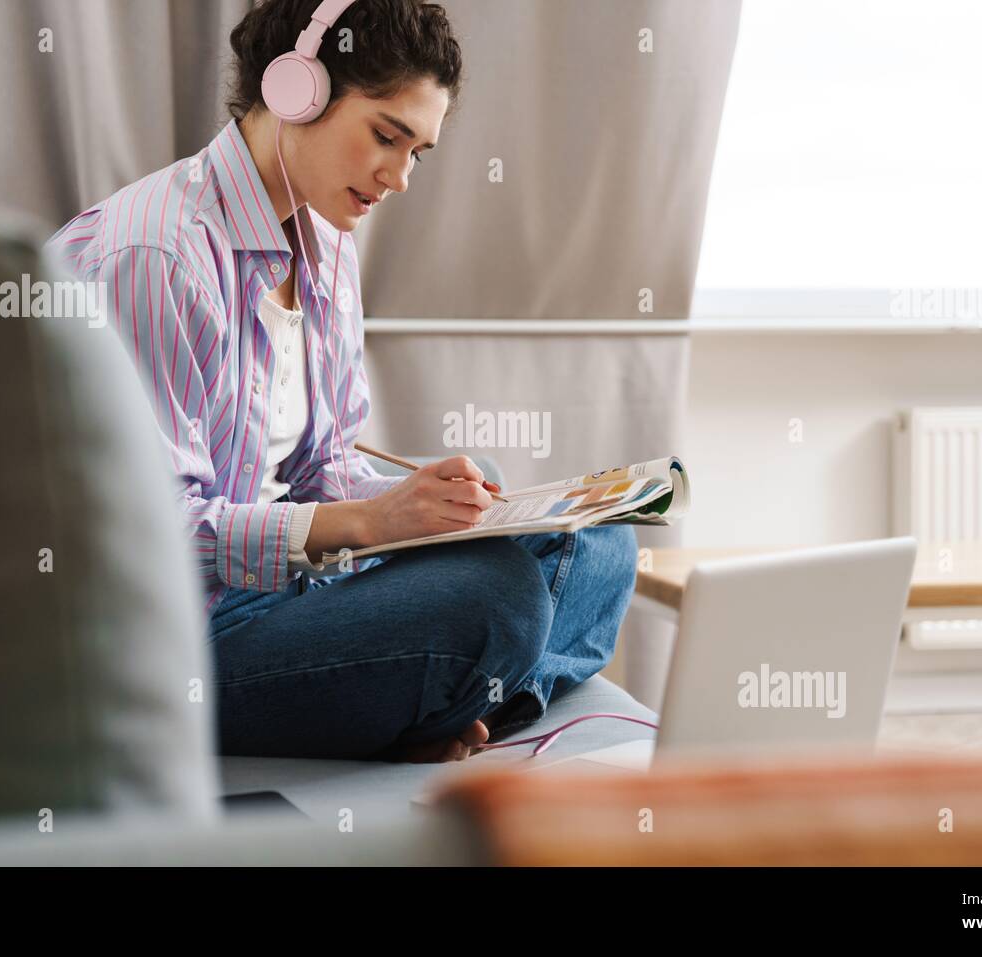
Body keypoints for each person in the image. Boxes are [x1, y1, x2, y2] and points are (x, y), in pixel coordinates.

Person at [47, 0, 636, 763]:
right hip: (166, 637)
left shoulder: (324, 244)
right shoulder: (156, 256)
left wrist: (418, 503)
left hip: (283, 588)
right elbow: (149, 534)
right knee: (499, 599)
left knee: (597, 537)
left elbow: (321, 467)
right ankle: (442, 698)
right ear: (297, 90)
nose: (398, 178)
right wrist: (371, 523)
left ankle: (460, 708)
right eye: (387, 136)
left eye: (418, 151)